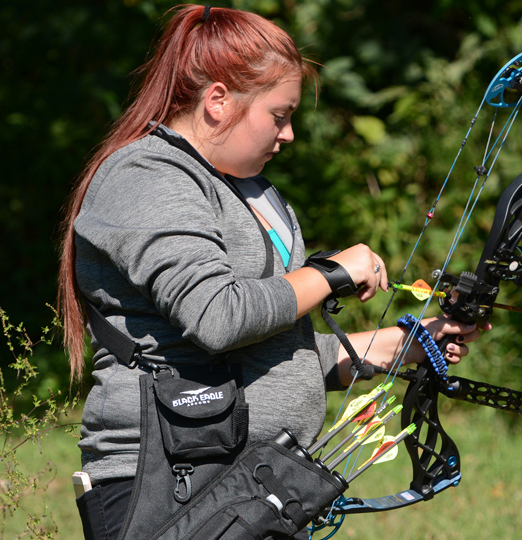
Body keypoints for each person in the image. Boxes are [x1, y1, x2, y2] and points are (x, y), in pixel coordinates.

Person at [57, 5, 486, 539]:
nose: (288, 135)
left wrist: (400, 346)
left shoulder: (251, 191)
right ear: (217, 101)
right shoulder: (147, 176)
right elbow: (218, 316)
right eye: (279, 115)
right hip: (169, 479)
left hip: (262, 484)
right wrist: (331, 272)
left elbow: (271, 347)